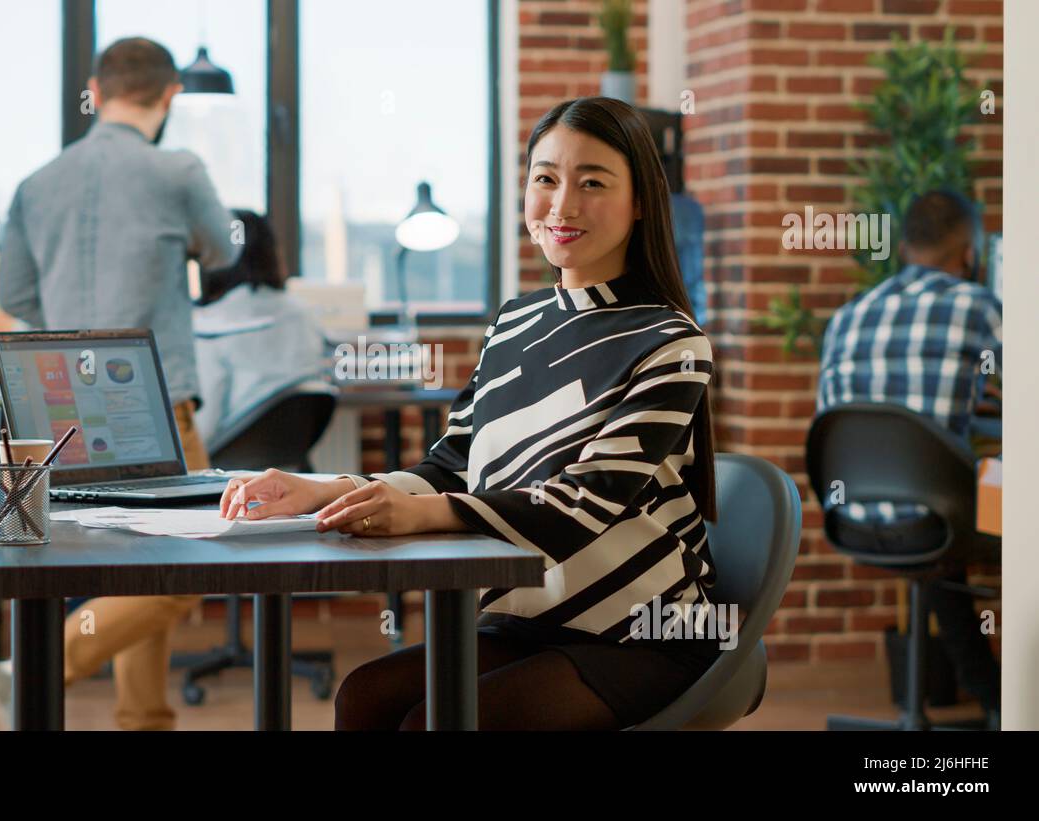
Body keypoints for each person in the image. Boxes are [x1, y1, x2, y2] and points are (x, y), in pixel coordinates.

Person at [220, 97, 722, 730]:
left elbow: (587, 503)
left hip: (644, 629)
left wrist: (419, 512)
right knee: (364, 697)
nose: (562, 205)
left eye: (592, 182)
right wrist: (332, 489)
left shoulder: (671, 342)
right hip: (531, 617)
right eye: (545, 179)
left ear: (642, 201)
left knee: (436, 720)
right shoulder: (516, 323)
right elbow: (451, 466)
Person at [0, 36, 239, 731]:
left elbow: (15, 289)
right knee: (194, 566)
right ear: (171, 97)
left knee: (143, 566)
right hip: (152, 404)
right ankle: (38, 666)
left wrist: (70, 348)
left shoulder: (37, 183)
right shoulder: (178, 169)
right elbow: (223, 248)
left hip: (55, 411)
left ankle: (144, 718)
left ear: (96, 96)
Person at [816, 189, 1003, 726]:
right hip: (938, 516)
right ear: (970, 253)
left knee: (943, 519)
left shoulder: (849, 315)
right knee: (1003, 490)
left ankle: (990, 697)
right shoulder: (979, 305)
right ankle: (1009, 697)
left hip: (852, 517)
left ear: (904, 246)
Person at [193, 210, 326, 448]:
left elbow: (204, 429)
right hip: (291, 463)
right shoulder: (301, 313)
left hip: (228, 468)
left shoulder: (209, 324)